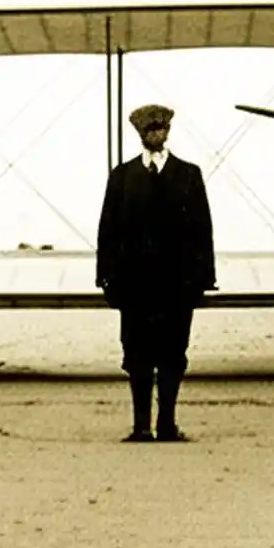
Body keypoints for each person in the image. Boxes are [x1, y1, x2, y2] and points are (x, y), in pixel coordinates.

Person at [97, 103, 216, 443]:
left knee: (173, 354)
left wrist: (203, 279)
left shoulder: (189, 174)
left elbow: (202, 229)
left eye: (161, 130)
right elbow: (108, 230)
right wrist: (106, 278)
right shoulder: (121, 177)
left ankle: (167, 424)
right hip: (135, 287)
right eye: (151, 131)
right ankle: (140, 426)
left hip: (177, 286)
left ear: (167, 132)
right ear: (141, 135)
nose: (157, 135)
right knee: (136, 356)